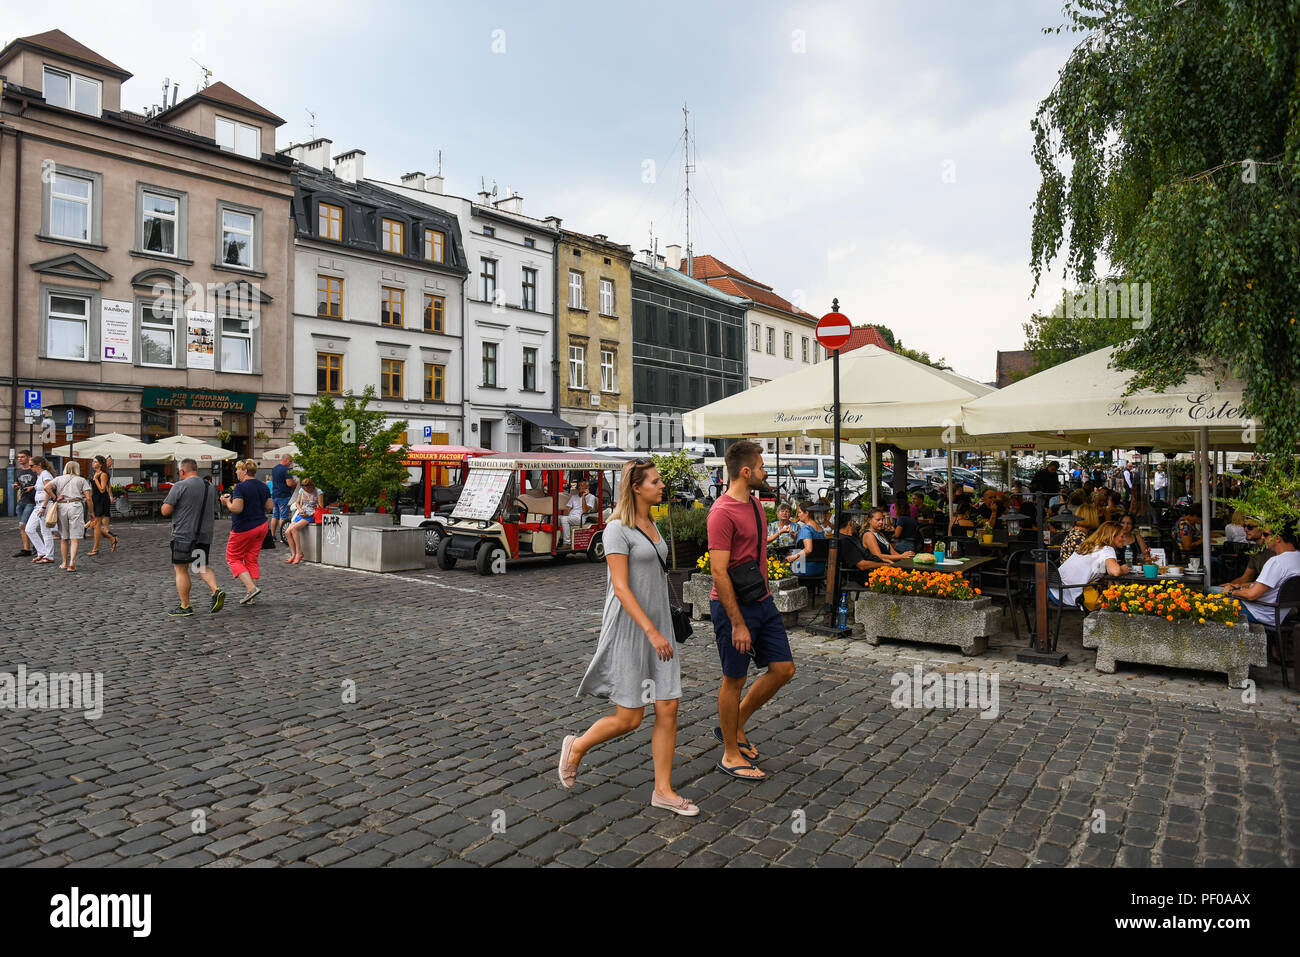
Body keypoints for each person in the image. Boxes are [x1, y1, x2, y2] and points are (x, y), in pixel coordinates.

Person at [563, 460, 696, 815]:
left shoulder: (653, 522)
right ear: (636, 487)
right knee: (630, 717)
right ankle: (577, 746)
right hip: (630, 629)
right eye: (655, 482)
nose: (661, 486)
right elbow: (620, 588)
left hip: (659, 627)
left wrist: (659, 628)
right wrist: (650, 632)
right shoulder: (616, 529)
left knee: (668, 706)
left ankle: (663, 791)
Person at [707, 440, 796, 782]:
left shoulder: (758, 507)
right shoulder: (721, 512)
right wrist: (738, 623)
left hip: (762, 601)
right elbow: (718, 572)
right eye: (761, 467)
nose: (765, 471)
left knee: (784, 669)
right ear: (745, 472)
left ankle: (735, 725)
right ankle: (731, 753)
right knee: (735, 679)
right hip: (733, 608)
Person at [161, 457, 225, 617]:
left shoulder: (179, 486)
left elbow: (165, 511)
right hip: (203, 535)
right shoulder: (210, 486)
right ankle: (216, 590)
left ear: (182, 471)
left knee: (181, 569)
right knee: (200, 566)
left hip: (183, 535)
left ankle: (185, 606)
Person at [1224, 528, 1300, 636]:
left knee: (1211, 598)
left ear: (1277, 538)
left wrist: (1231, 592)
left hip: (1261, 613)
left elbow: (1252, 595)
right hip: (1280, 613)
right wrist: (1241, 587)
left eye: (1266, 534)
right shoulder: (1297, 558)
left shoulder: (1276, 562)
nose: (1262, 537)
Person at [221, 459, 272, 605]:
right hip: (261, 525)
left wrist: (226, 502)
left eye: (238, 469)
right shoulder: (263, 486)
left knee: (233, 558)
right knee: (251, 559)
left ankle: (251, 588)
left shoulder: (241, 487)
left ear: (244, 471)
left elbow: (237, 509)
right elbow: (269, 506)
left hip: (243, 528)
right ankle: (251, 596)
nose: (236, 472)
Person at [1053, 522, 1131, 606]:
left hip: (1055, 590)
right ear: (1112, 536)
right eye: (1122, 536)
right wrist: (1123, 569)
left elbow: (1097, 571)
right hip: (1067, 596)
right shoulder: (1107, 549)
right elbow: (1115, 572)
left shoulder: (1090, 546)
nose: (1124, 539)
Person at [47, 462, 93, 572]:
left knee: (64, 537)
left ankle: (64, 562)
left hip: (62, 506)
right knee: (74, 537)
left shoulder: (58, 479)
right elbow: (88, 498)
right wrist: (92, 512)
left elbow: (46, 487)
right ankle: (72, 562)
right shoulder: (81, 480)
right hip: (76, 505)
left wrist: (55, 497)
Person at [837, 515, 888, 585]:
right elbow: (862, 565)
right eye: (854, 522)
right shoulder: (844, 541)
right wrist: (884, 564)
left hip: (873, 569)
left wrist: (884, 560)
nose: (856, 524)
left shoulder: (853, 535)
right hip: (863, 575)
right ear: (850, 523)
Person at [24, 456, 57, 565]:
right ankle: (42, 552)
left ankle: (49, 555)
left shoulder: (45, 474)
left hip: (44, 505)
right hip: (38, 506)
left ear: (39, 465)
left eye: (32, 465)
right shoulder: (40, 475)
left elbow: (48, 489)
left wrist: (44, 506)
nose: (30, 467)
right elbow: (41, 486)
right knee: (29, 529)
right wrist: (32, 487)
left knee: (45, 531)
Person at [87, 454, 121, 556]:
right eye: (93, 461)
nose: (93, 463)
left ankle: (95, 549)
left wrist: (96, 479)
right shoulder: (95, 473)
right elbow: (92, 488)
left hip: (102, 500)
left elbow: (102, 489)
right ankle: (112, 538)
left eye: (96, 462)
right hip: (95, 500)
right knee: (93, 525)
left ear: (101, 464)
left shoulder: (103, 474)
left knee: (96, 525)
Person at [284, 478, 320, 564]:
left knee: (294, 529)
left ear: (312, 486)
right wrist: (300, 509)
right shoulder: (301, 490)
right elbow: (297, 503)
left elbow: (320, 507)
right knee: (287, 532)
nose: (306, 490)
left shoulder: (318, 492)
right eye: (304, 488)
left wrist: (310, 514)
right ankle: (293, 554)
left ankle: (299, 553)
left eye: (307, 488)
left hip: (311, 515)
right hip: (302, 513)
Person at [788, 501, 826, 576]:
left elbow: (808, 549)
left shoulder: (806, 528)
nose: (798, 515)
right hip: (820, 567)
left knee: (780, 567)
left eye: (799, 512)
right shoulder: (820, 528)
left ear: (807, 513)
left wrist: (793, 557)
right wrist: (797, 538)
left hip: (804, 568)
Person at [12, 450, 36, 557]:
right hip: (21, 500)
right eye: (18, 457)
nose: (20, 459)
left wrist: (33, 487)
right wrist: (15, 485)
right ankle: (27, 548)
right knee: (22, 526)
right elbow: (17, 482)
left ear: (28, 457)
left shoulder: (34, 471)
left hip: (32, 501)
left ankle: (31, 547)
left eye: (22, 457)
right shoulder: (18, 471)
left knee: (24, 525)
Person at [269, 454, 297, 544]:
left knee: (275, 516)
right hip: (284, 495)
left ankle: (272, 536)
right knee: (283, 517)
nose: (291, 463)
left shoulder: (275, 468)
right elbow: (289, 483)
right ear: (286, 460)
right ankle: (283, 537)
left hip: (275, 495)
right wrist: (296, 482)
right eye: (290, 461)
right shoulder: (286, 470)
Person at [560, 478, 597, 546]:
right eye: (579, 485)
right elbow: (568, 509)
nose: (579, 487)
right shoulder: (574, 497)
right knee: (554, 518)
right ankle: (558, 539)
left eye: (582, 486)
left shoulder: (591, 497)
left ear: (587, 487)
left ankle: (567, 543)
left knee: (564, 519)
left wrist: (583, 497)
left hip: (580, 518)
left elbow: (585, 510)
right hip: (571, 517)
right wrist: (565, 516)